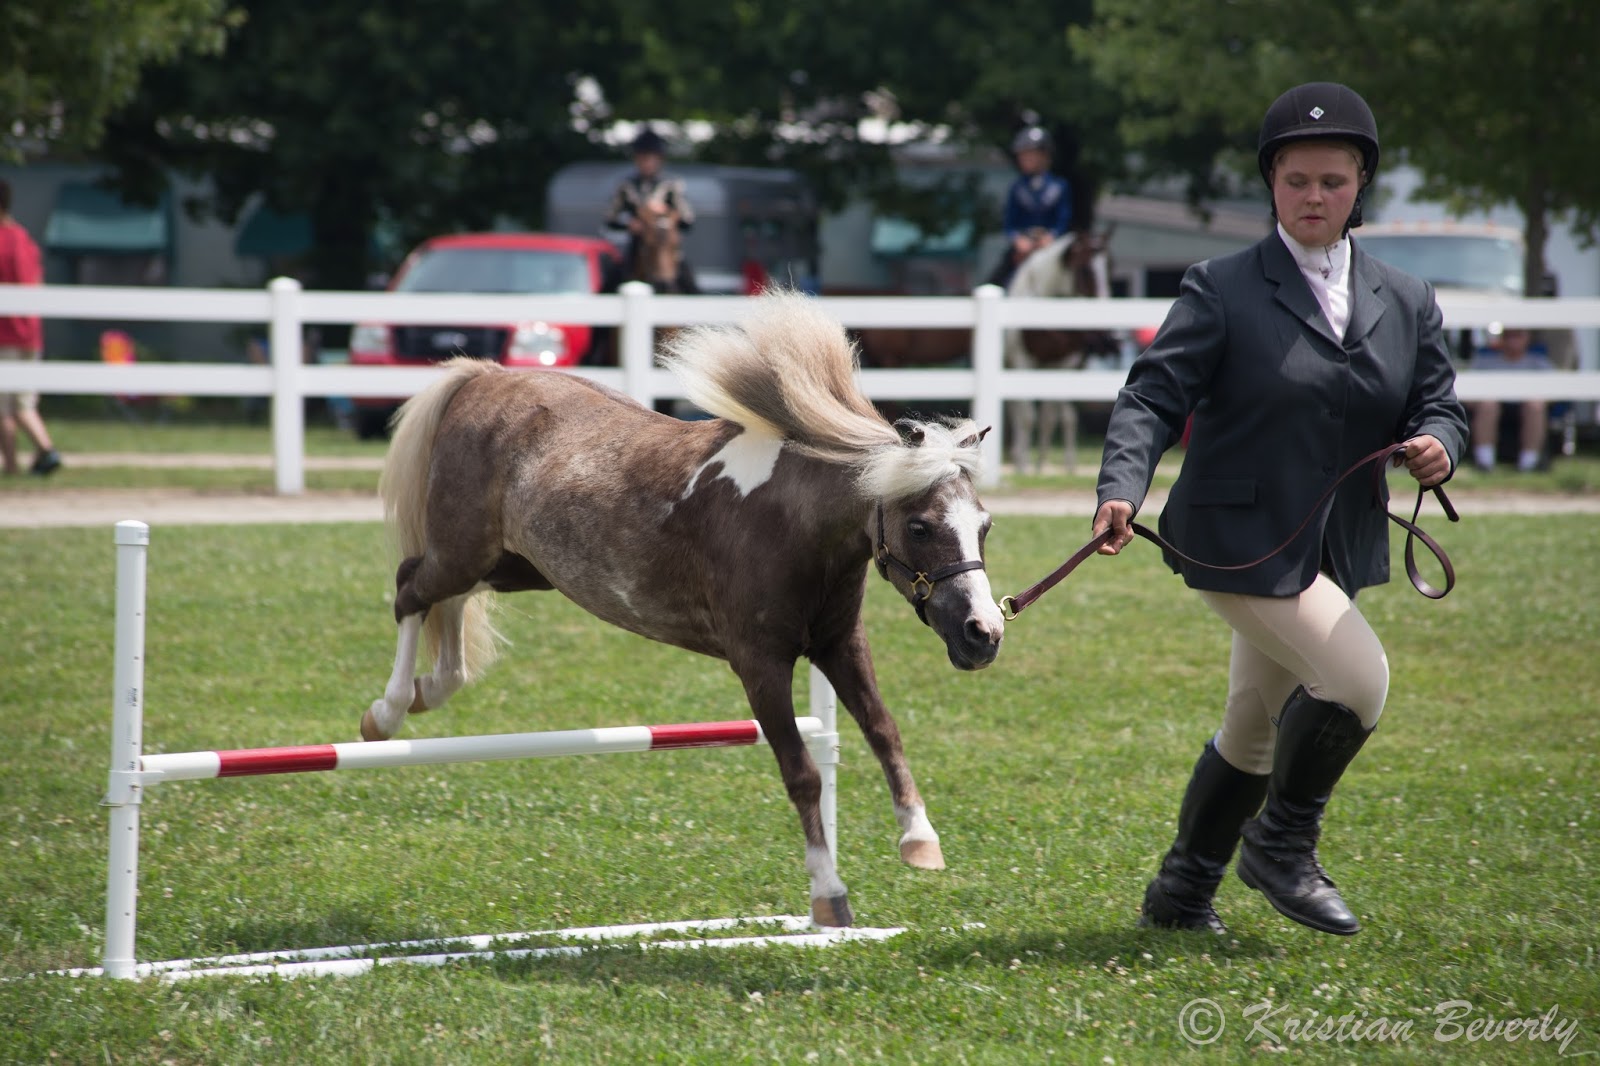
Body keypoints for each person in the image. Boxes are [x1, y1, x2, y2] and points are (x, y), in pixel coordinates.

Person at [1091, 83, 1467, 937]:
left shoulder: (1407, 299)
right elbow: (1150, 398)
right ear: (1270, 184)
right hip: (1236, 541)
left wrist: (1440, 443)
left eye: (1332, 181)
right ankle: (1283, 847)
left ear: (1359, 184)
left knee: (1252, 729)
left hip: (1340, 542)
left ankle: (1181, 896)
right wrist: (1122, 486)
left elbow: (1437, 404)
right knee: (1356, 682)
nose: (1312, 197)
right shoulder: (1220, 286)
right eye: (1295, 179)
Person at [0, 178, 61, 477]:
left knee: (3, 407)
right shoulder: (24, 240)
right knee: (23, 401)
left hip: (4, 334)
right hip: (30, 332)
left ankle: (10, 466)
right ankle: (46, 450)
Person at [604, 127, 698, 292]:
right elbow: (610, 219)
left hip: (665, 242)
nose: (646, 163)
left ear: (659, 160)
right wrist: (630, 225)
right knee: (613, 278)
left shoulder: (671, 186)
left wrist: (667, 214)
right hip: (637, 245)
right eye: (642, 158)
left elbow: (688, 220)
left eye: (650, 158)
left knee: (688, 281)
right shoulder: (627, 186)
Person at [986, 125, 1073, 289]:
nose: (1024, 159)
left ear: (1044, 156)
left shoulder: (1059, 186)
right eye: (1022, 155)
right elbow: (1009, 222)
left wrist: (1051, 237)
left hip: (1049, 245)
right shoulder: (1017, 188)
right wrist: (1018, 239)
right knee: (997, 281)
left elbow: (1063, 218)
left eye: (1030, 155)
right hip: (1023, 246)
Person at [1469, 326, 1552, 472]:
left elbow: (1553, 394)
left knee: (1535, 406)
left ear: (1527, 339)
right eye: (1509, 336)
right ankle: (1484, 461)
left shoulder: (1539, 362)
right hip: (1492, 406)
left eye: (1518, 336)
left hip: (1526, 407)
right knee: (1487, 404)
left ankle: (1529, 463)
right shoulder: (1485, 361)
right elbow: (1469, 396)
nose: (1513, 341)